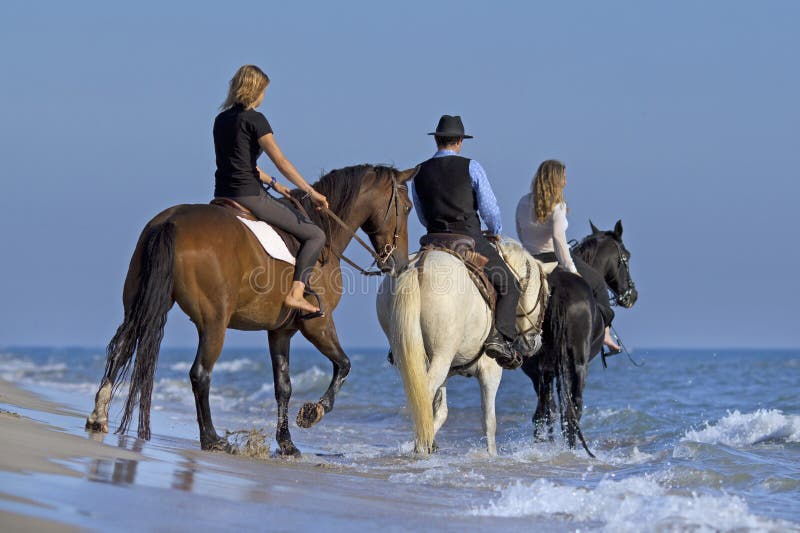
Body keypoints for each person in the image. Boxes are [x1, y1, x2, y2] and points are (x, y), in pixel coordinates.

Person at [213, 65, 328, 317]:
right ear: (256, 90)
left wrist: (276, 185)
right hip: (250, 196)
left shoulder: (221, 120)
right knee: (316, 235)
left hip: (222, 194)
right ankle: (296, 293)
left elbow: (241, 164)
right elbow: (281, 161)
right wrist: (310, 191)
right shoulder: (256, 119)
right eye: (263, 90)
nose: (264, 96)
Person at [412, 115, 521, 367]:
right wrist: (495, 230)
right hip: (468, 241)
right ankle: (500, 338)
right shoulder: (472, 167)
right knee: (509, 285)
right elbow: (490, 209)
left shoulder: (418, 172)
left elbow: (420, 213)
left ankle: (397, 346)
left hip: (432, 242)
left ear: (437, 140)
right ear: (460, 141)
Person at [515, 159, 621, 353]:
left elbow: (520, 232)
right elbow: (558, 240)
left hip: (528, 260)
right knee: (597, 282)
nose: (566, 181)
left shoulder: (523, 201)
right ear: (556, 179)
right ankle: (605, 333)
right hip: (552, 260)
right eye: (563, 177)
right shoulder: (558, 205)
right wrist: (571, 269)